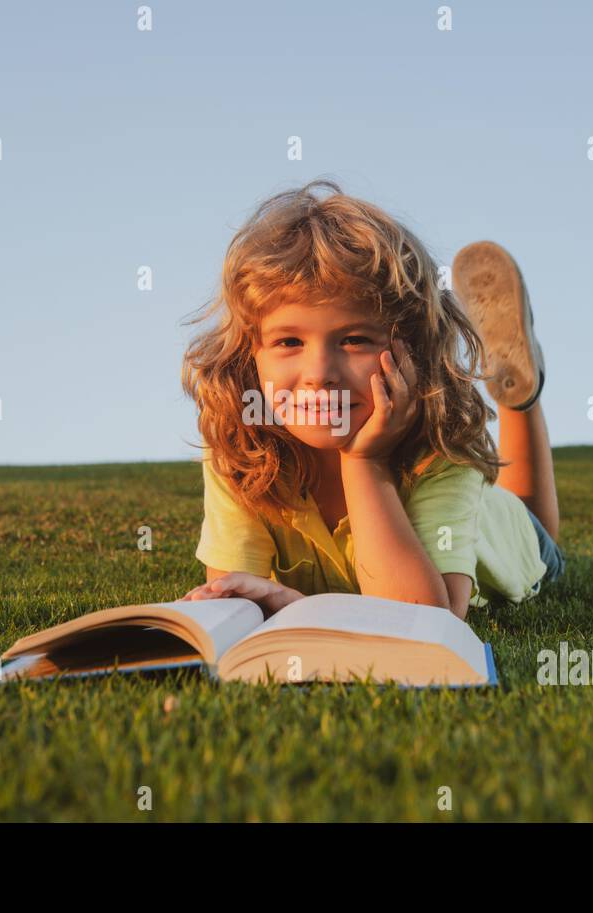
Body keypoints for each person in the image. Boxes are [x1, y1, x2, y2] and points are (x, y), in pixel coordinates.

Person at [179, 179, 564, 621]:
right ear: (252, 356)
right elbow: (233, 598)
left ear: (412, 350)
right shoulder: (240, 452)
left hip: (506, 531)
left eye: (355, 340)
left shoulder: (440, 457)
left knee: (537, 531)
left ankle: (520, 394)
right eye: (288, 341)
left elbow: (425, 619)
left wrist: (364, 462)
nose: (320, 374)